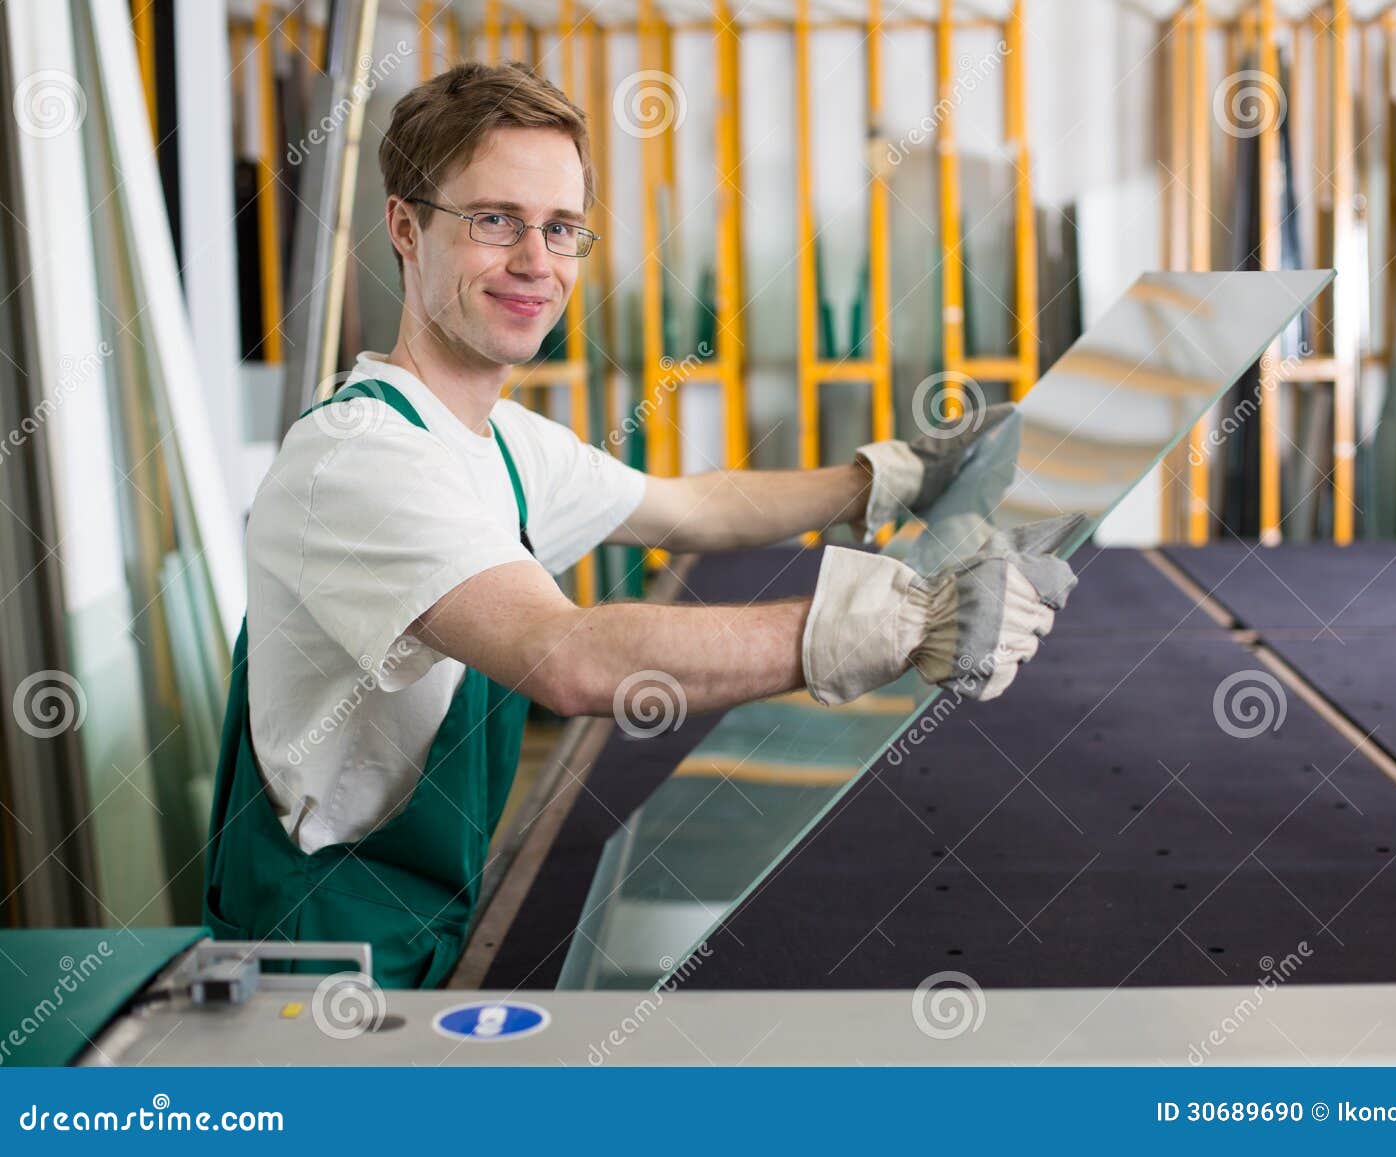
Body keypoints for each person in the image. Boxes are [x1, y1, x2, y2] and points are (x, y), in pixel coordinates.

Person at [202, 62, 1077, 989]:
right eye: (495, 220)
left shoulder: (501, 443)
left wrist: (883, 479)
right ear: (407, 228)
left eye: (562, 227)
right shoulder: (360, 458)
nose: (537, 260)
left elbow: (694, 506)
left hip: (423, 925)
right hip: (320, 961)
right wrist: (902, 623)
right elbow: (567, 657)